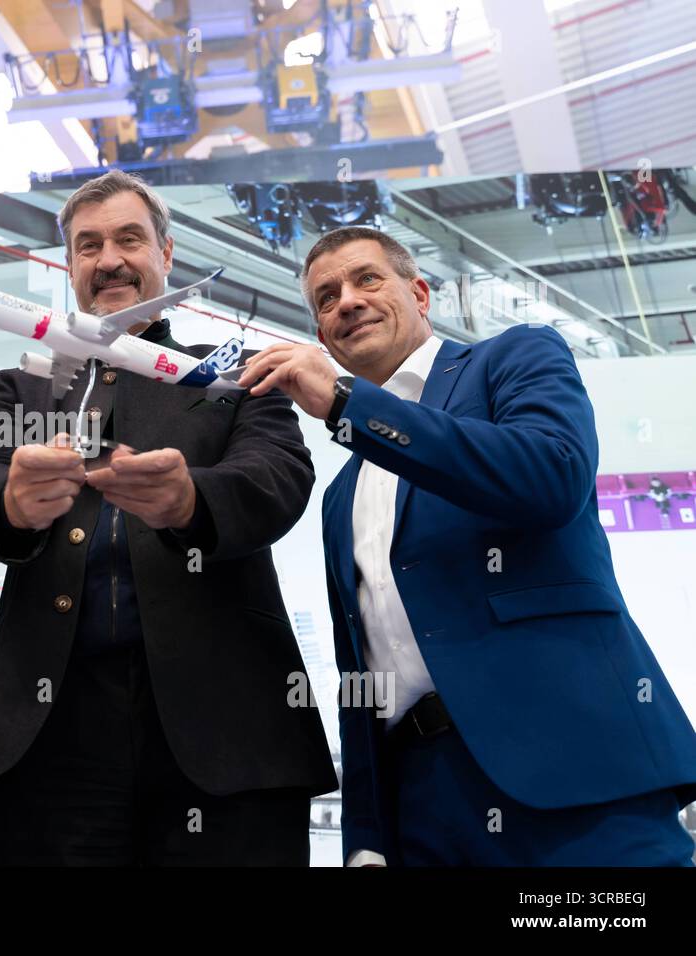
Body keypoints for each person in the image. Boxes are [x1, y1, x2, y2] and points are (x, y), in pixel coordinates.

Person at [237, 225, 696, 866]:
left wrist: (348, 403)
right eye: (326, 297)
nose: (346, 300)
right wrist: (366, 836)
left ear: (420, 293)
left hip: (574, 775)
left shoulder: (512, 360)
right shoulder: (342, 495)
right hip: (424, 806)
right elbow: (360, 670)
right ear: (322, 335)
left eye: (367, 278)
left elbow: (551, 476)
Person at [0, 169, 336, 866]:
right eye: (88, 246)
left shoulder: (234, 376)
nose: (109, 260)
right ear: (69, 265)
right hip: (48, 738)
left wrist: (193, 500)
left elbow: (278, 477)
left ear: (167, 253)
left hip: (225, 737)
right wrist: (8, 501)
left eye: (129, 239)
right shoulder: (21, 386)